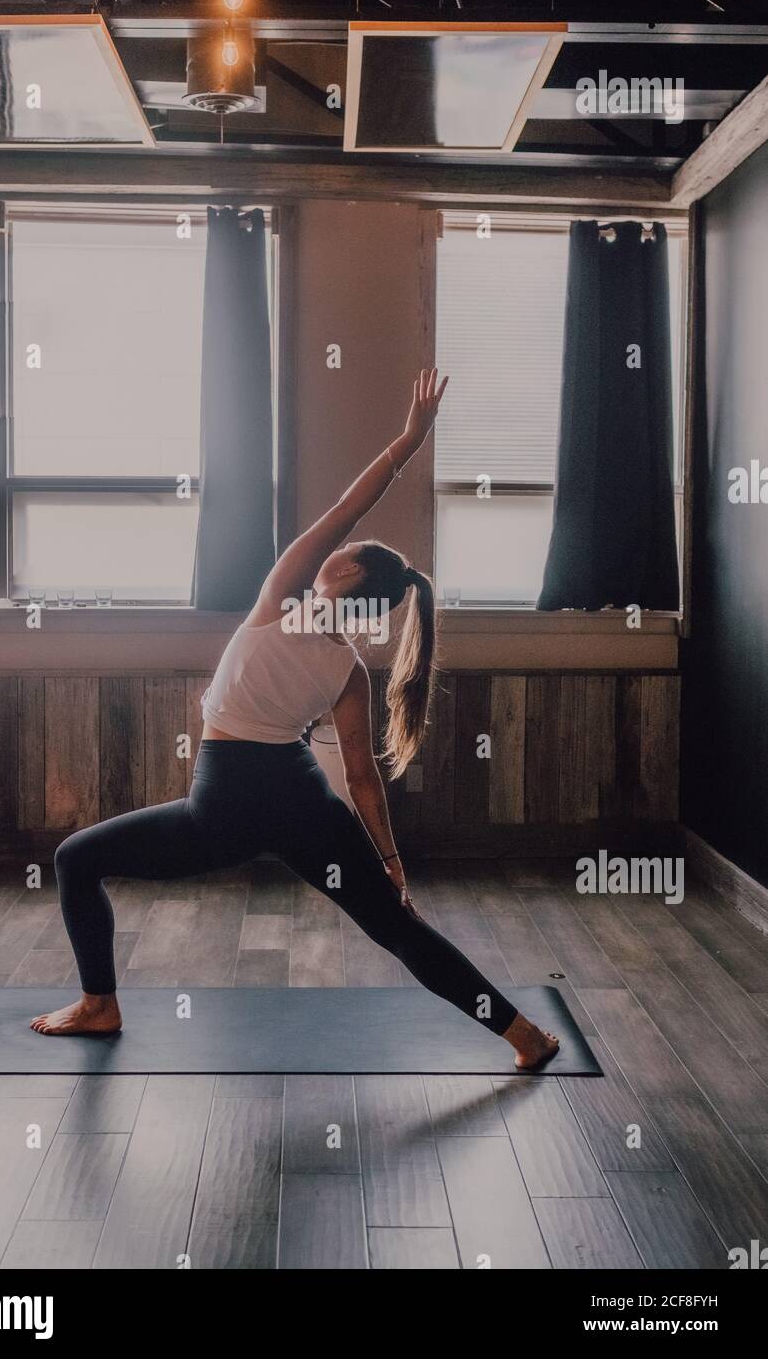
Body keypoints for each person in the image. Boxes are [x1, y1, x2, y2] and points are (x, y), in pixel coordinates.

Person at [32, 370, 559, 1071]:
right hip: (301, 802)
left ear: (342, 573)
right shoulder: (348, 668)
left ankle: (100, 1004)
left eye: (344, 549)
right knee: (398, 929)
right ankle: (523, 1036)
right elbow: (363, 779)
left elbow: (347, 504)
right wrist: (391, 863)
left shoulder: (282, 597)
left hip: (221, 808)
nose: (334, 544)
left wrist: (409, 439)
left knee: (75, 859)